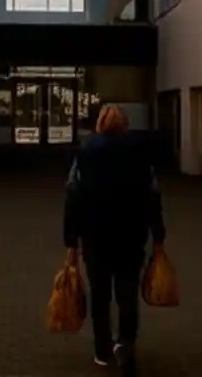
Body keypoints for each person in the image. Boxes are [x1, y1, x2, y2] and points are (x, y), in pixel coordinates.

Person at [63, 105, 166, 374]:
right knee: (127, 292)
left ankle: (102, 349)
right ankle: (126, 344)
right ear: (125, 125)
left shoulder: (85, 153)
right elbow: (153, 196)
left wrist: (71, 241)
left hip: (95, 236)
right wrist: (158, 236)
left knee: (100, 295)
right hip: (131, 235)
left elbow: (73, 197)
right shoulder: (141, 153)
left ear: (100, 124)